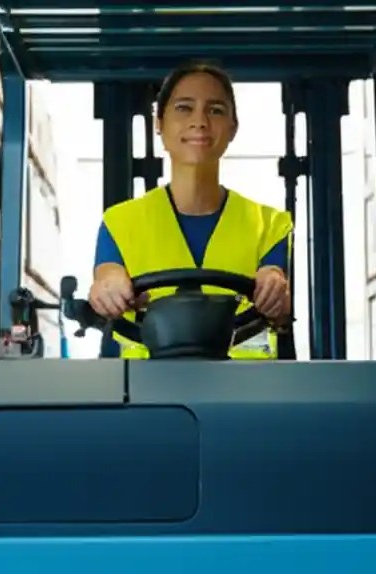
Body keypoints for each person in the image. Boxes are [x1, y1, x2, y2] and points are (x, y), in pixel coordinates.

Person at [88, 61, 294, 360]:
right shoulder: (120, 222)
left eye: (216, 110)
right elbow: (108, 274)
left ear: (233, 128)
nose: (199, 121)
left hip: (247, 386)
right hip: (145, 386)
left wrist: (274, 287)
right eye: (184, 108)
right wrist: (107, 289)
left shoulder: (270, 225)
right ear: (159, 123)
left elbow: (275, 283)